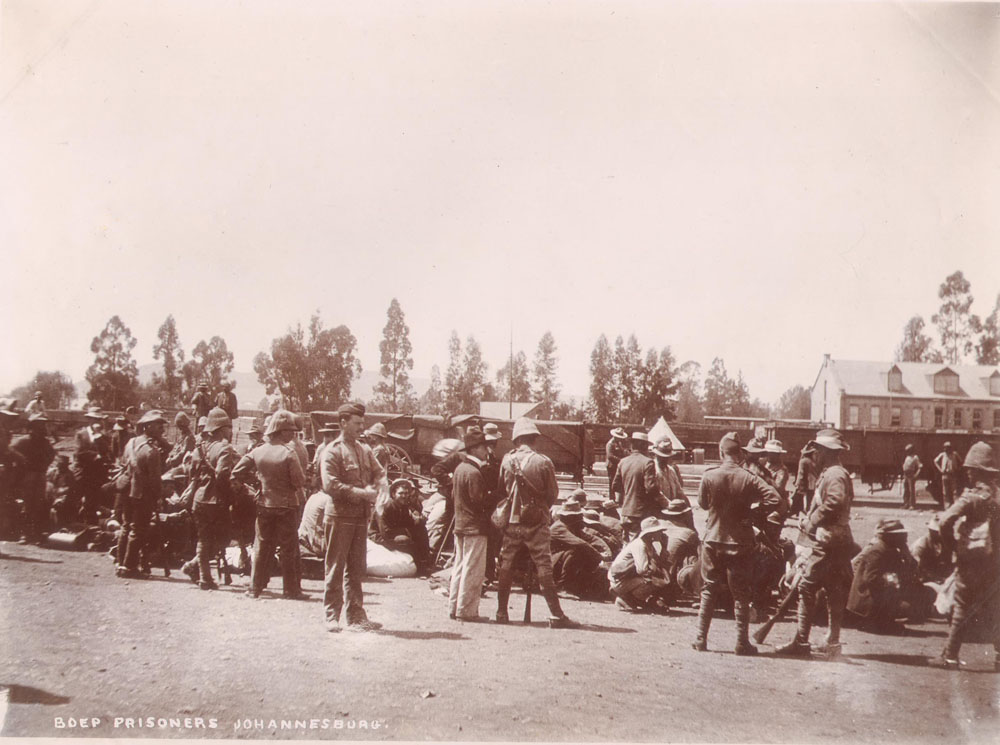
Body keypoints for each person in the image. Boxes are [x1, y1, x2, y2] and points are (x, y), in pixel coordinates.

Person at [694, 432, 782, 655]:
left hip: (713, 539)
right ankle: (741, 642)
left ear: (721, 452)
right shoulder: (749, 477)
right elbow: (775, 499)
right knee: (741, 594)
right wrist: (751, 513)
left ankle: (700, 639)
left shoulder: (710, 475)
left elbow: (703, 504)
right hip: (740, 543)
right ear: (740, 453)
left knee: (708, 589)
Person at [776, 429, 856, 659]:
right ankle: (832, 641)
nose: (815, 455)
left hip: (828, 540)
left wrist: (812, 520)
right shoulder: (834, 473)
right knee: (833, 589)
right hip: (836, 540)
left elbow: (835, 501)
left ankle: (801, 642)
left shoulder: (834, 475)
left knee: (806, 586)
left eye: (818, 450)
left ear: (826, 451)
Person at [494, 417, 575, 628]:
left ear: (517, 439)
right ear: (534, 438)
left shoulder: (506, 460)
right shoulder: (543, 461)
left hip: (512, 522)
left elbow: (503, 489)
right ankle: (556, 615)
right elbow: (552, 495)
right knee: (544, 566)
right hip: (537, 523)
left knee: (506, 565)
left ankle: (501, 612)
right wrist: (538, 510)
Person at [928, 441, 1000, 670]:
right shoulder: (997, 497)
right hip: (995, 560)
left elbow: (946, 520)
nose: (967, 472)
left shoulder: (971, 497)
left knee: (961, 604)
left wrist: (949, 544)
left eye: (970, 469)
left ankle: (950, 656)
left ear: (977, 471)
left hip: (971, 559)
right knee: (996, 606)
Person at [321, 402, 386, 633]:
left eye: (362, 423)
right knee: (335, 567)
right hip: (339, 517)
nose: (362, 427)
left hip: (360, 518)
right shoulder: (333, 451)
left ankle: (356, 616)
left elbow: (379, 472)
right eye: (357, 423)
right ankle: (331, 615)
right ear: (343, 423)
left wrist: (381, 486)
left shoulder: (364, 450)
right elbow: (330, 485)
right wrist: (362, 493)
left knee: (356, 569)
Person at [232, 409, 306, 599]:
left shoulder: (257, 451)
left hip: (264, 504)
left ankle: (255, 588)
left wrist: (255, 483)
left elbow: (236, 473)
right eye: (290, 430)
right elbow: (298, 482)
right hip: (287, 506)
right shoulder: (289, 453)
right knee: (288, 548)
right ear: (281, 431)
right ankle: (291, 590)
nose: (293, 434)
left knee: (262, 546)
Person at [181, 407, 237, 590]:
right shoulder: (224, 448)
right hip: (216, 500)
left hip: (199, 499)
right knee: (224, 537)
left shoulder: (200, 447)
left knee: (204, 538)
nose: (230, 431)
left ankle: (200, 571)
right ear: (221, 429)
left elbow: (191, 473)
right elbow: (222, 474)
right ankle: (202, 574)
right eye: (228, 427)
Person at [847, 519, 932, 630]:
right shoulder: (877, 551)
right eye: (902, 534)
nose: (906, 537)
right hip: (868, 598)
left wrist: (906, 556)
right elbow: (871, 579)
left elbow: (909, 571)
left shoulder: (891, 549)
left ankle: (883, 620)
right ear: (891, 536)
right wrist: (892, 586)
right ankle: (875, 621)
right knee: (906, 607)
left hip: (881, 593)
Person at [448, 426, 494, 620]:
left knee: (459, 566)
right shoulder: (474, 473)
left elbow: (453, 496)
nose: (487, 451)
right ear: (474, 449)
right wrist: (495, 497)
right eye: (484, 447)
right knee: (473, 570)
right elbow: (479, 501)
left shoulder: (460, 469)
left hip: (460, 525)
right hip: (475, 527)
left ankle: (454, 607)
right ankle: (467, 611)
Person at [115, 410, 166, 579]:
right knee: (137, 529)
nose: (162, 429)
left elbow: (123, 463)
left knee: (126, 526)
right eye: (159, 425)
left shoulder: (131, 443)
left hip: (126, 492)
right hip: (142, 495)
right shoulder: (152, 451)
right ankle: (129, 567)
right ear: (148, 427)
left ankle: (120, 562)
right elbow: (155, 481)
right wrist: (158, 497)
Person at [549, 501, 611, 600]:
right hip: (551, 563)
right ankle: (562, 587)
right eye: (577, 516)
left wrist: (606, 549)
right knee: (576, 552)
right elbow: (580, 543)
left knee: (583, 553)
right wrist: (599, 555)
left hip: (560, 562)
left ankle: (578, 585)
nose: (580, 518)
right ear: (569, 517)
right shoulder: (559, 527)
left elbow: (591, 538)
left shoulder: (573, 526)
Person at [608, 517, 672, 613]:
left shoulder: (648, 544)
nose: (661, 534)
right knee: (657, 582)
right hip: (620, 580)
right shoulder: (639, 545)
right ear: (651, 533)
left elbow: (659, 563)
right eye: (659, 531)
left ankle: (632, 599)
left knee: (660, 581)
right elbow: (642, 570)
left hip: (628, 578)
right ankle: (626, 599)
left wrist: (664, 547)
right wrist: (655, 573)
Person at [611, 432, 666, 542]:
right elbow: (651, 488)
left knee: (627, 545)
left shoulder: (623, 462)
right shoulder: (647, 462)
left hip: (626, 512)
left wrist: (623, 499)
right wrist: (663, 501)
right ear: (644, 446)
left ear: (632, 445)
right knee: (639, 546)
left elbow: (616, 486)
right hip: (640, 513)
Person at [10, 413, 55, 543]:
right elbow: (11, 450)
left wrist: (44, 465)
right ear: (32, 427)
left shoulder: (45, 442)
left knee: (38, 504)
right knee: (27, 503)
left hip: (40, 475)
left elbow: (51, 454)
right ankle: (24, 533)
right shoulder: (23, 441)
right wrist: (22, 462)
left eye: (43, 425)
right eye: (38, 425)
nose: (42, 428)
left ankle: (35, 532)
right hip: (27, 475)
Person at [374, 478, 431, 575]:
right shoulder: (386, 506)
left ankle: (425, 561)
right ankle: (418, 566)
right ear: (393, 494)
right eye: (400, 493)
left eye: (406, 493)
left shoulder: (403, 506)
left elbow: (409, 523)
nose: (404, 496)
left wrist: (419, 521)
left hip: (396, 533)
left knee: (421, 530)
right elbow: (385, 532)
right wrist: (406, 531)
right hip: (380, 537)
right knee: (404, 540)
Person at [73, 408, 111, 523]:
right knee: (77, 500)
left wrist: (99, 438)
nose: (97, 421)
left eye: (99, 419)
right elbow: (79, 453)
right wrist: (96, 456)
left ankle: (91, 528)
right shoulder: (81, 434)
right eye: (94, 419)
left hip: (96, 474)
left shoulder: (103, 437)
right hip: (83, 472)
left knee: (92, 503)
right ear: (88, 419)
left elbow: (108, 452)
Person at [911, 515, 952, 583]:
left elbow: (947, 561)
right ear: (930, 531)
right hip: (922, 574)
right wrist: (933, 577)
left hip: (935, 571)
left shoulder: (943, 541)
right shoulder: (921, 544)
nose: (940, 533)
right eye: (937, 532)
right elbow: (916, 565)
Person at [651, 438, 687, 506]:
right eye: (662, 457)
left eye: (667, 457)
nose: (665, 460)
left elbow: (679, 490)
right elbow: (655, 492)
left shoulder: (671, 470)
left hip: (672, 508)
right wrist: (668, 504)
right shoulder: (652, 470)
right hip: (658, 508)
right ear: (656, 455)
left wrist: (683, 501)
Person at [790, 443, 818, 517]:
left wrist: (797, 483)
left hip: (803, 483)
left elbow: (801, 473)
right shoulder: (812, 461)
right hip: (812, 482)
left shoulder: (803, 461)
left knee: (798, 499)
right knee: (809, 499)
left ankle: (797, 512)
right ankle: (808, 513)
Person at [934, 442, 962, 508]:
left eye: (947, 447)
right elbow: (935, 461)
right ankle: (947, 507)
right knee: (945, 492)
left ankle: (955, 506)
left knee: (954, 491)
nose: (946, 449)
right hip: (945, 475)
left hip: (953, 474)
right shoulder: (943, 454)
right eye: (945, 447)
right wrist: (940, 469)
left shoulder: (955, 454)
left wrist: (958, 469)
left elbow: (961, 462)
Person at [605, 428, 628, 492]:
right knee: (612, 481)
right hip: (612, 465)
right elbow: (610, 456)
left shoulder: (619, 443)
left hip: (618, 465)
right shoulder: (610, 444)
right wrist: (621, 460)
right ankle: (612, 498)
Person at [901, 444, 922, 511]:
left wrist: (916, 475)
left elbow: (920, 466)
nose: (907, 452)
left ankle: (912, 505)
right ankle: (906, 504)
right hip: (906, 475)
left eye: (908, 450)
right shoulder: (907, 457)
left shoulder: (915, 457)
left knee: (911, 490)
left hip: (911, 474)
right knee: (906, 489)